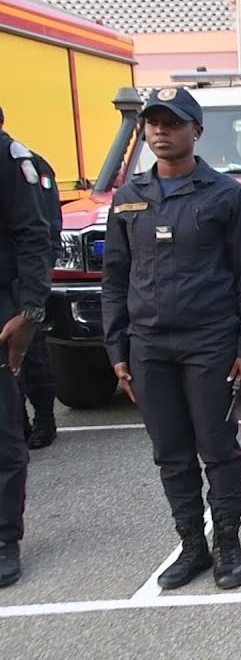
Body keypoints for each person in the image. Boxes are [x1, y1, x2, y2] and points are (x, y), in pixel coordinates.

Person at [100, 86, 241, 591]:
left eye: (172, 123)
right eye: (153, 123)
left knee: (217, 447)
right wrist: (117, 349)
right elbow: (115, 278)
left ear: (196, 130)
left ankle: (228, 543)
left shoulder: (225, 195)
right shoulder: (129, 198)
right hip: (149, 346)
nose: (161, 132)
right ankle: (192, 544)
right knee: (170, 452)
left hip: (210, 342)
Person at [0, 122, 52, 589]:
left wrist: (30, 310)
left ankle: (4, 539)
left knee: (3, 434)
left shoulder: (10, 159)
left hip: (3, 308)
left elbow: (35, 236)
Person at [0, 106, 59, 450]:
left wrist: (37, 283)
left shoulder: (26, 164)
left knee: (31, 355)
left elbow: (44, 226)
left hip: (21, 281)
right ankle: (18, 423)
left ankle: (44, 419)